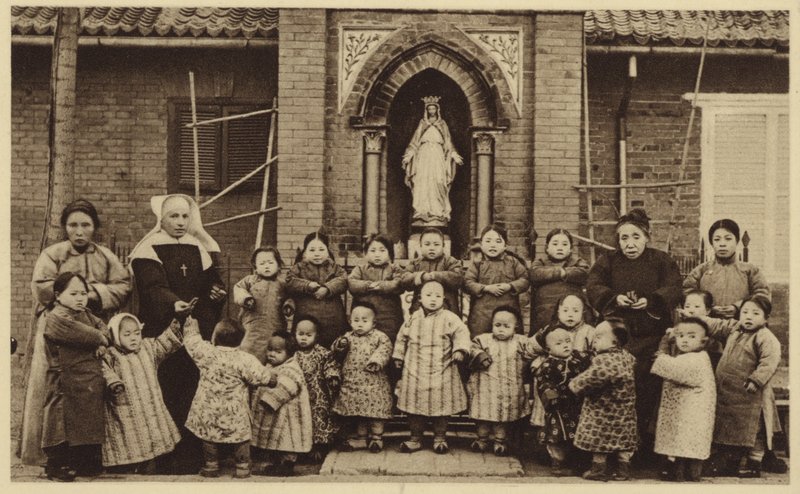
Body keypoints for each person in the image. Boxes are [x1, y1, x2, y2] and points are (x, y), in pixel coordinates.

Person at [21, 199, 130, 466]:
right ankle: (46, 454)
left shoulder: (106, 256)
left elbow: (123, 286)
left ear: (94, 227)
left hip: (92, 323)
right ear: (64, 227)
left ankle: (90, 455)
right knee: (54, 391)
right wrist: (71, 296)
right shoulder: (53, 254)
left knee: (90, 393)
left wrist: (92, 294)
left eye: (85, 225)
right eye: (72, 225)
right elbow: (41, 287)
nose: (79, 231)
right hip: (58, 329)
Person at [129, 194, 226, 473]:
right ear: (161, 219)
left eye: (185, 216)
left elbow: (211, 283)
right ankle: (166, 457)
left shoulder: (198, 246)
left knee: (194, 390)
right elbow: (152, 288)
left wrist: (216, 293)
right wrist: (173, 304)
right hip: (163, 331)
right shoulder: (148, 249)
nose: (181, 222)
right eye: (174, 216)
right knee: (167, 390)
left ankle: (193, 454)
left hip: (195, 331)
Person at [683, 219, 785, 473]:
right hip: (712, 339)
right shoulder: (701, 271)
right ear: (711, 243)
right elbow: (687, 294)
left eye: (728, 238)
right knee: (718, 395)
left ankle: (766, 451)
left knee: (758, 399)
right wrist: (706, 310)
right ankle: (717, 450)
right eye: (717, 239)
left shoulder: (750, 271)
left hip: (745, 341)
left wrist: (738, 308)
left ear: (737, 242)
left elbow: (762, 296)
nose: (722, 244)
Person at [585, 208, 682, 456]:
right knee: (617, 391)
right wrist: (614, 298)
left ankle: (643, 446)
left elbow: (674, 287)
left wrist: (652, 300)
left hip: (651, 338)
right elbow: (594, 286)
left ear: (647, 237)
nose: (630, 244)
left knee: (648, 391)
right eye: (624, 238)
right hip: (619, 341)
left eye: (636, 237)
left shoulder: (661, 261)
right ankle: (616, 446)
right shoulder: (607, 261)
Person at [700, 296, 782, 478]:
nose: (749, 317)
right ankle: (731, 463)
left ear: (766, 318)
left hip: (751, 395)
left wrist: (756, 380)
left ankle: (754, 463)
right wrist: (696, 318)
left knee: (754, 430)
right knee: (732, 428)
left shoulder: (765, 337)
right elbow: (716, 325)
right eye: (745, 312)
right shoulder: (735, 328)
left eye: (755, 313)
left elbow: (769, 362)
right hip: (731, 394)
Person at [41, 272, 112, 481]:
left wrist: (102, 341)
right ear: (58, 295)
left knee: (86, 420)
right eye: (73, 294)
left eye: (83, 293)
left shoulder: (86, 313)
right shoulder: (56, 318)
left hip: (88, 378)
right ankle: (56, 465)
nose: (80, 298)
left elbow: (104, 329)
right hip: (64, 380)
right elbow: (90, 334)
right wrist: (100, 339)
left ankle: (84, 463)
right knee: (61, 421)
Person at [184, 318, 276, 478]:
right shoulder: (245, 359)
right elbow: (263, 377)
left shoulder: (207, 353)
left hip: (208, 409)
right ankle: (242, 467)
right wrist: (272, 378)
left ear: (214, 337)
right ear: (241, 341)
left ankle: (211, 466)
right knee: (241, 438)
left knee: (208, 437)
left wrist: (191, 324)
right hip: (234, 411)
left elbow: (192, 342)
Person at [393, 280, 471, 454]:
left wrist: (460, 350)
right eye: (429, 295)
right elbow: (401, 338)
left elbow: (462, 334)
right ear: (420, 298)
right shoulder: (413, 318)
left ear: (443, 298)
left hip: (442, 367)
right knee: (414, 405)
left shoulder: (450, 318)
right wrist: (398, 356)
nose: (433, 299)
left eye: (438, 296)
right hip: (415, 368)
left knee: (441, 405)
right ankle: (415, 438)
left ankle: (440, 438)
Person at [101, 313, 183, 473]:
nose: (133, 338)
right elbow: (103, 370)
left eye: (136, 333)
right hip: (127, 408)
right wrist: (113, 382)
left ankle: (155, 467)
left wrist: (174, 328)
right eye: (127, 334)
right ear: (115, 335)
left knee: (155, 435)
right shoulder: (110, 355)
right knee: (131, 440)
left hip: (151, 405)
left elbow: (163, 344)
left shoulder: (147, 348)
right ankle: (131, 468)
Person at [569, 318, 638, 481]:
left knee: (599, 442)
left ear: (615, 341)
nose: (594, 340)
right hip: (625, 412)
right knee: (623, 443)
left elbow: (592, 378)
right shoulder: (627, 357)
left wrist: (574, 385)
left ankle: (598, 470)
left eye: (599, 337)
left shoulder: (605, 361)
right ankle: (623, 470)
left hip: (604, 411)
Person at [651, 318, 717, 482]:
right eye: (680, 336)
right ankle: (684, 473)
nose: (685, 340)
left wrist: (663, 347)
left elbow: (670, 367)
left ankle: (684, 473)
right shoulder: (689, 357)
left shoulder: (697, 359)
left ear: (704, 341)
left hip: (690, 412)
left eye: (691, 336)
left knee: (684, 442)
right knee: (683, 442)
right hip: (685, 411)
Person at [466, 306, 535, 456]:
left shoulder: (520, 342)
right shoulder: (484, 340)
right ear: (492, 324)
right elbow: (471, 347)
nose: (501, 329)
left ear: (515, 327)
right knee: (483, 416)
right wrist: (479, 355)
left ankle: (499, 441)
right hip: (485, 388)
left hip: (508, 389)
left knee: (503, 418)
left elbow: (533, 349)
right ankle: (481, 440)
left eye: (506, 326)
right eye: (497, 325)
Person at [331, 302, 393, 453]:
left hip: (374, 383)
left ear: (374, 323)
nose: (360, 324)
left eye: (365, 321)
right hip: (354, 382)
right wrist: (339, 346)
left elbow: (385, 349)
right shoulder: (347, 337)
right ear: (350, 321)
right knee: (360, 411)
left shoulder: (379, 337)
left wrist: (377, 361)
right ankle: (361, 438)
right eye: (356, 320)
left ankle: (377, 438)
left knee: (376, 410)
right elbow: (335, 351)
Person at [251, 332, 313, 477]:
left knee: (287, 441)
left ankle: (287, 465)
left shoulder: (291, 369)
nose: (272, 354)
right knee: (276, 441)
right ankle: (277, 464)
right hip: (277, 415)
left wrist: (270, 400)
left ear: (289, 353)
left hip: (288, 417)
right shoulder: (272, 366)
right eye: (270, 350)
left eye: (278, 352)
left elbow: (287, 387)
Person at [533, 324, 592, 476]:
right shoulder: (548, 365)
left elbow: (592, 359)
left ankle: (578, 463)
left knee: (578, 433)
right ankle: (557, 463)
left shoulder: (578, 357)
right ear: (548, 349)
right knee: (557, 436)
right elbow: (544, 383)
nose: (565, 345)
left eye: (567, 341)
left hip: (577, 405)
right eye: (559, 343)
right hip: (558, 407)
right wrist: (551, 395)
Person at [402, 96, 463, 225]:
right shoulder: (422, 124)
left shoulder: (442, 124)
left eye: (433, 109)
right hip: (424, 155)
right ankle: (422, 211)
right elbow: (415, 143)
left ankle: (438, 211)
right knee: (423, 180)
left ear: (437, 110)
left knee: (438, 180)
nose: (431, 111)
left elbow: (448, 143)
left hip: (437, 155)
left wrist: (454, 155)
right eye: (429, 109)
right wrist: (409, 155)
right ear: (426, 110)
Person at [464, 224, 530, 337]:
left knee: (511, 339)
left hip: (508, 311)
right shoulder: (477, 264)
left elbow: (525, 279)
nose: (492, 245)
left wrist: (510, 286)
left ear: (505, 246)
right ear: (481, 245)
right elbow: (467, 282)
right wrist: (485, 288)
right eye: (488, 241)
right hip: (482, 313)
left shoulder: (513, 262)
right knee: (481, 339)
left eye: (498, 241)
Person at [286, 230, 348, 348]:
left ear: (328, 252)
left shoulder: (335, 268)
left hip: (333, 320)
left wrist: (327, 288)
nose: (317, 254)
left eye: (321, 249)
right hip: (306, 318)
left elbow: (344, 280)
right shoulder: (298, 268)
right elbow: (290, 281)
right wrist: (307, 285)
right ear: (305, 252)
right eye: (312, 250)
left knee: (334, 347)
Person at [293, 316, 341, 462]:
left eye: (308, 335)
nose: (304, 338)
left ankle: (319, 446)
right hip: (299, 394)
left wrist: (332, 376)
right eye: (300, 334)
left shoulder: (322, 353)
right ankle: (301, 447)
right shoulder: (293, 354)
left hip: (318, 393)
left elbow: (330, 365)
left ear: (316, 336)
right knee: (299, 419)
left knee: (319, 418)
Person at [529, 228, 591, 334]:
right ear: (547, 248)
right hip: (546, 310)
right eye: (555, 244)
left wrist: (564, 273)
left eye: (564, 244)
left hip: (572, 310)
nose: (560, 248)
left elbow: (584, 273)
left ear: (570, 249)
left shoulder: (578, 262)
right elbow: (535, 274)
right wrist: (559, 272)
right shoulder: (540, 263)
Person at [233, 246, 287, 364]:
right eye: (262, 263)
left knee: (273, 349)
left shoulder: (282, 284)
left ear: (278, 266)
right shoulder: (250, 280)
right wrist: (246, 299)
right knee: (249, 350)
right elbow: (238, 289)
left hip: (275, 324)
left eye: (270, 262)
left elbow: (290, 298)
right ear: (255, 267)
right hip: (253, 324)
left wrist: (288, 307)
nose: (266, 266)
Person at [347, 234, 405, 342]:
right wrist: (368, 285)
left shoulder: (395, 269)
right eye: (373, 251)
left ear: (390, 253)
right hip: (364, 317)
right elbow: (352, 283)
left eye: (382, 250)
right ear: (366, 253)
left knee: (389, 340)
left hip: (389, 316)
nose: (377, 254)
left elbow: (399, 283)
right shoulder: (360, 269)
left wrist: (381, 286)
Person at [400, 226, 464, 316]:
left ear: (443, 246)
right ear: (420, 246)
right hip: (420, 310)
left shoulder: (451, 261)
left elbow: (458, 278)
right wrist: (421, 277)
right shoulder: (415, 263)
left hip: (447, 309)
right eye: (427, 244)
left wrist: (435, 276)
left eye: (436, 244)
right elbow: (404, 279)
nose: (431, 248)